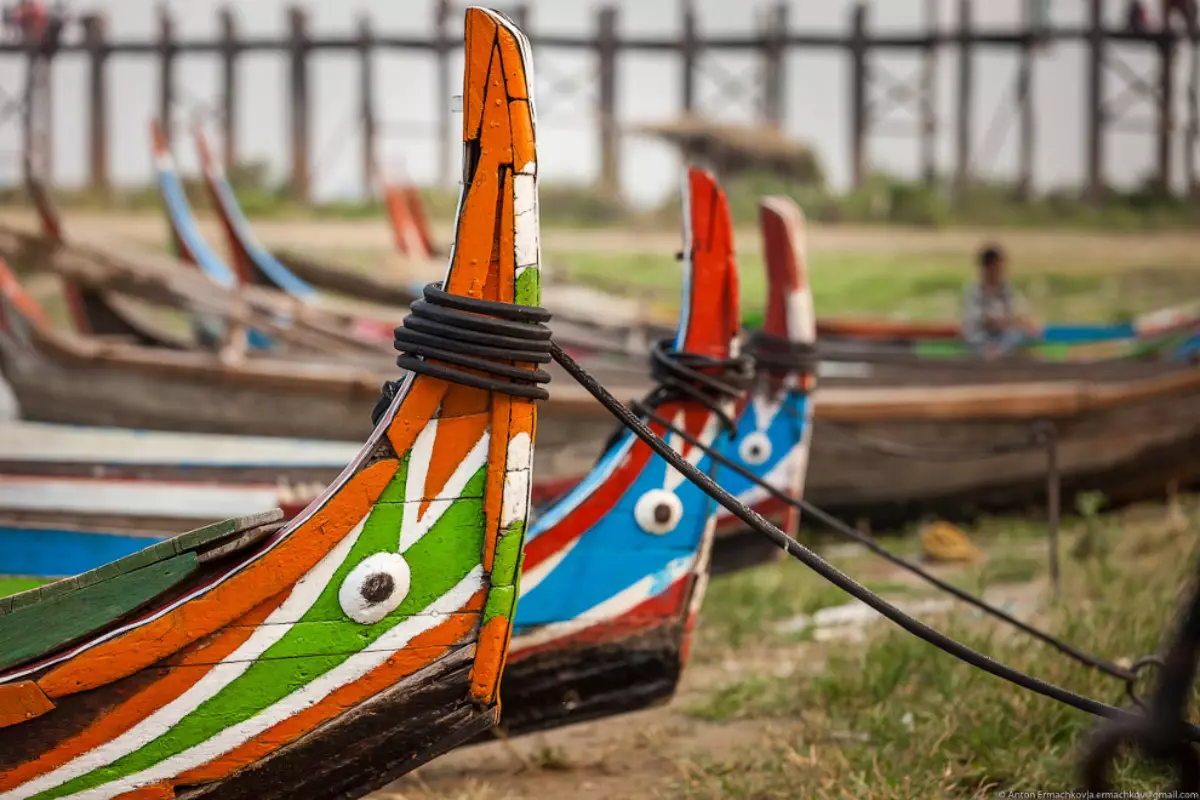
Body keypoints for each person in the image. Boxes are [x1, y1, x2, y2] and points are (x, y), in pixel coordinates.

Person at [961, 245, 1040, 359]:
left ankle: (998, 353)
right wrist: (1000, 322)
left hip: (1004, 336)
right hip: (982, 337)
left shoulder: (1007, 289)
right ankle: (995, 353)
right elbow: (977, 321)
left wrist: (1020, 323)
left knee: (1020, 336)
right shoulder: (974, 291)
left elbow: (1017, 314)